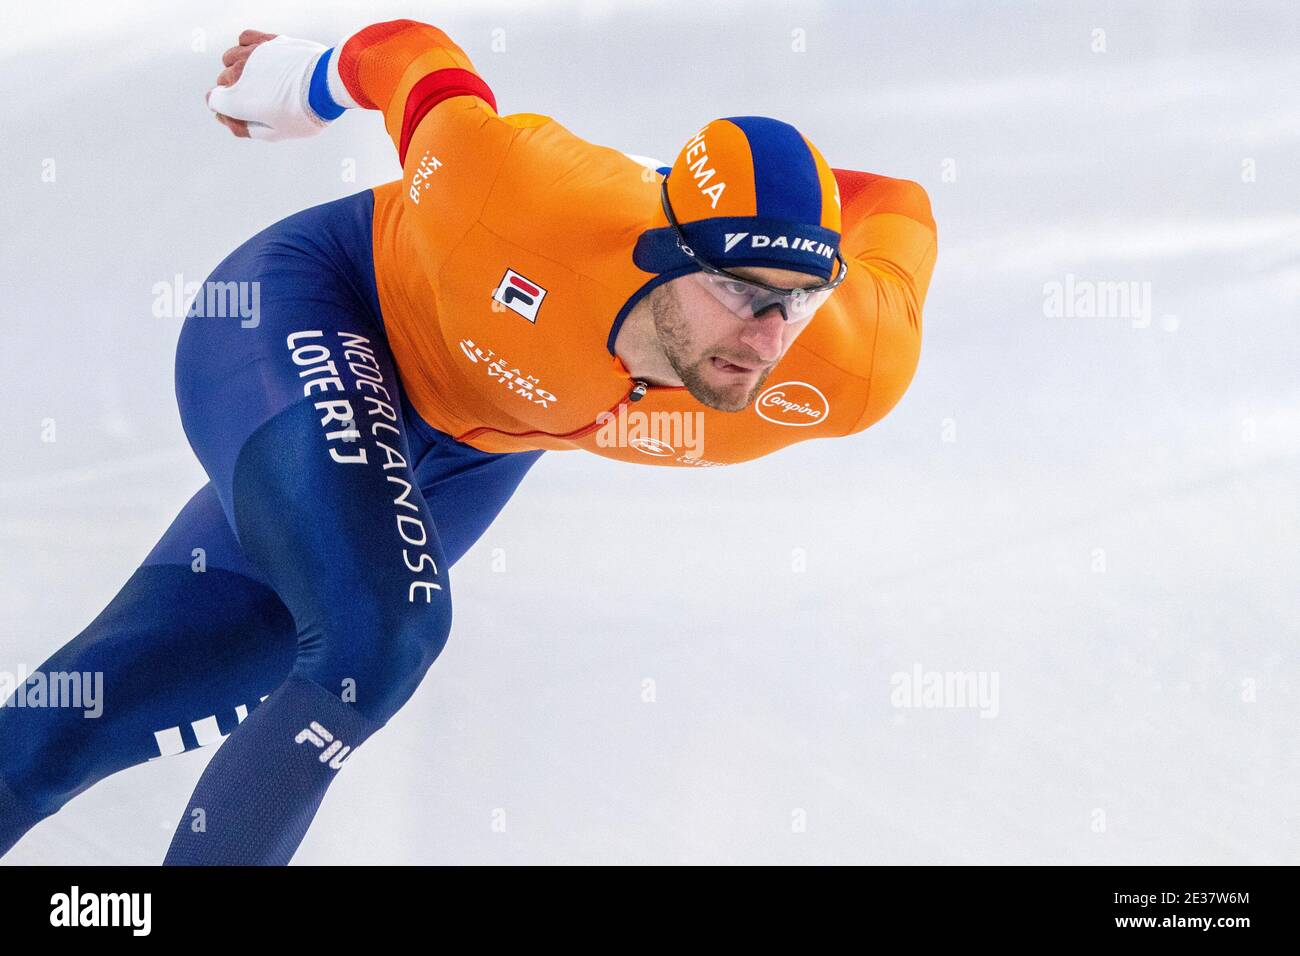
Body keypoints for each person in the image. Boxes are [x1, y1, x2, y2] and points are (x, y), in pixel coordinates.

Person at [0, 20, 938, 865]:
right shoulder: (520, 197)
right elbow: (413, 54)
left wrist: (754, 205)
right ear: (666, 250)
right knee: (382, 631)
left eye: (799, 299)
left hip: (480, 444)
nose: (770, 337)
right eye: (742, 293)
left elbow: (900, 196)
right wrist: (302, 79)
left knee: (82, 717)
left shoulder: (849, 365)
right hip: (320, 312)